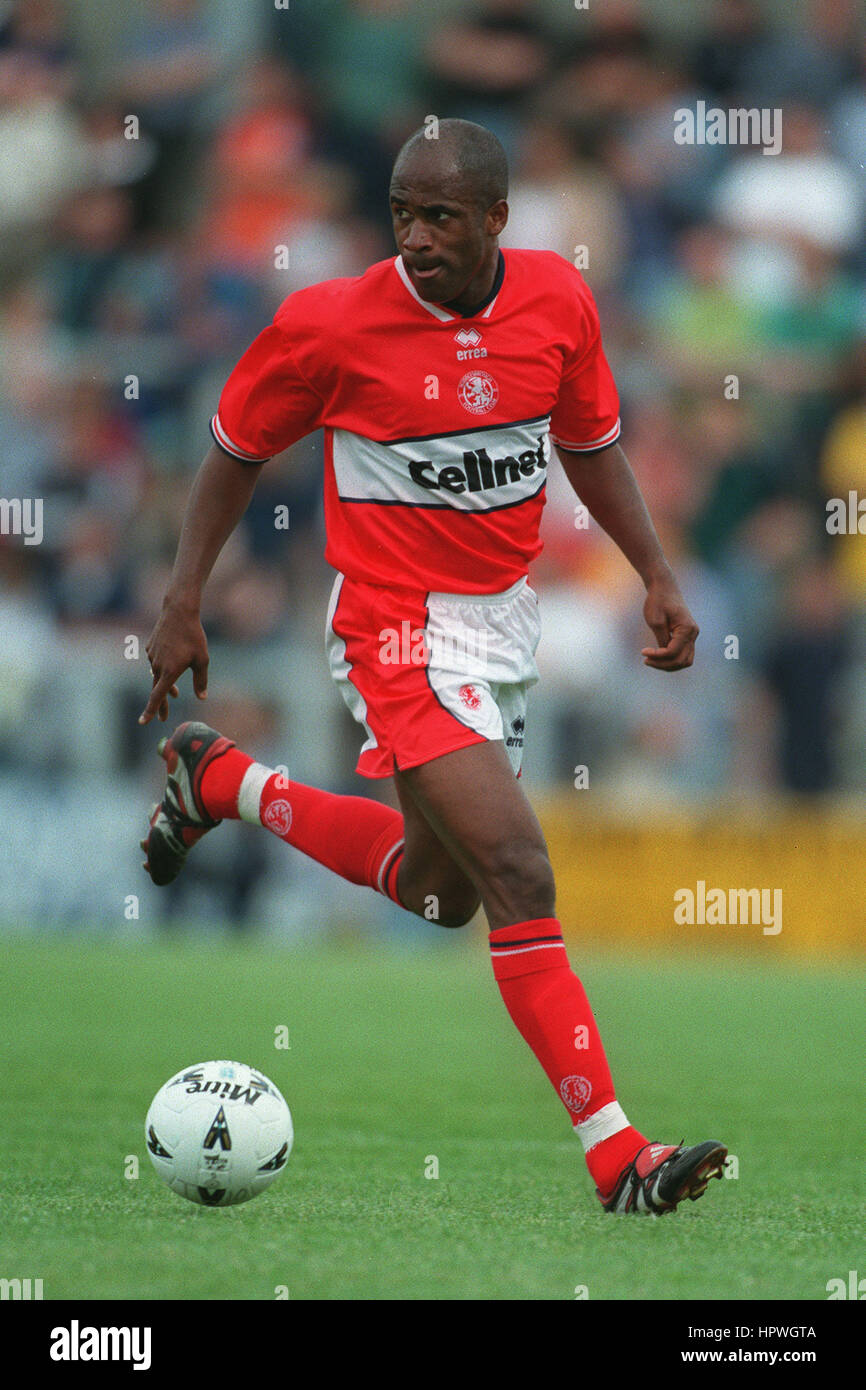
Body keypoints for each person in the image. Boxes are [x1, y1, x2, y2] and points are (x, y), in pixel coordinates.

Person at [139, 118, 726, 1215]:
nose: (414, 237)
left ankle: (225, 783)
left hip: (500, 625)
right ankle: (618, 1154)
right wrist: (182, 602)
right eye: (402, 214)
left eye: (440, 217)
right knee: (519, 870)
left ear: (497, 218)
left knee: (439, 888)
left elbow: (588, 444)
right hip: (392, 626)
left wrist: (652, 568)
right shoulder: (330, 324)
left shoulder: (556, 300)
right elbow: (233, 447)